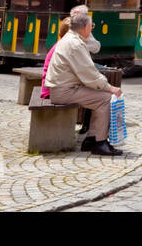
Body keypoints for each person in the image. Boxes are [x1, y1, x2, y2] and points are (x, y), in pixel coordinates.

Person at [45, 13, 123, 156]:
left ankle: (92, 139)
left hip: (62, 88)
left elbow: (88, 70)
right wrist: (110, 88)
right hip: (64, 91)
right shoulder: (74, 44)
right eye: (91, 26)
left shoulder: (72, 39)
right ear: (84, 27)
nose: (92, 29)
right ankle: (99, 143)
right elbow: (89, 73)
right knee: (105, 98)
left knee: (102, 96)